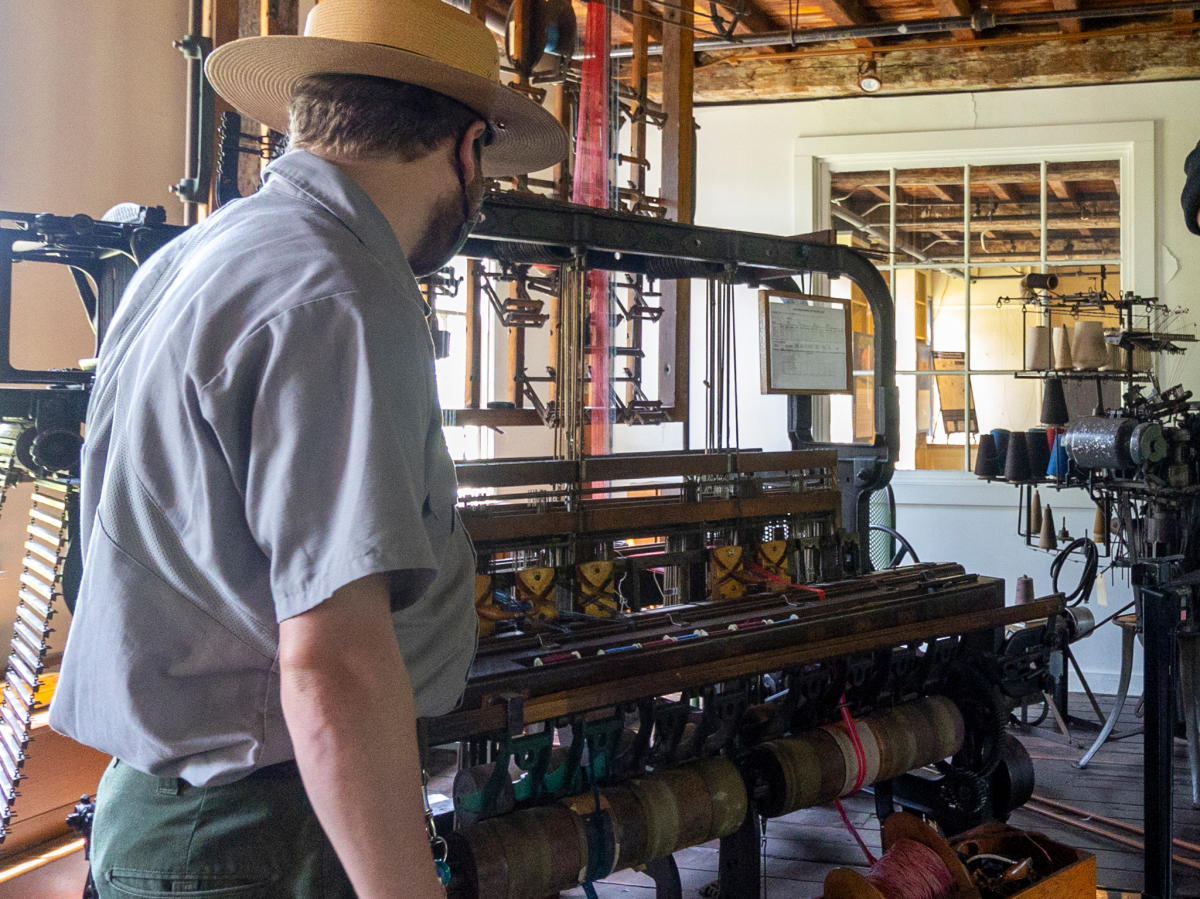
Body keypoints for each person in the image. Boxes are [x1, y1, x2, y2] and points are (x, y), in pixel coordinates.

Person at [49, 0, 566, 896]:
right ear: (468, 147)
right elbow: (334, 659)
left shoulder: (195, 255)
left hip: (168, 813)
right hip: (260, 833)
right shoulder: (342, 295)